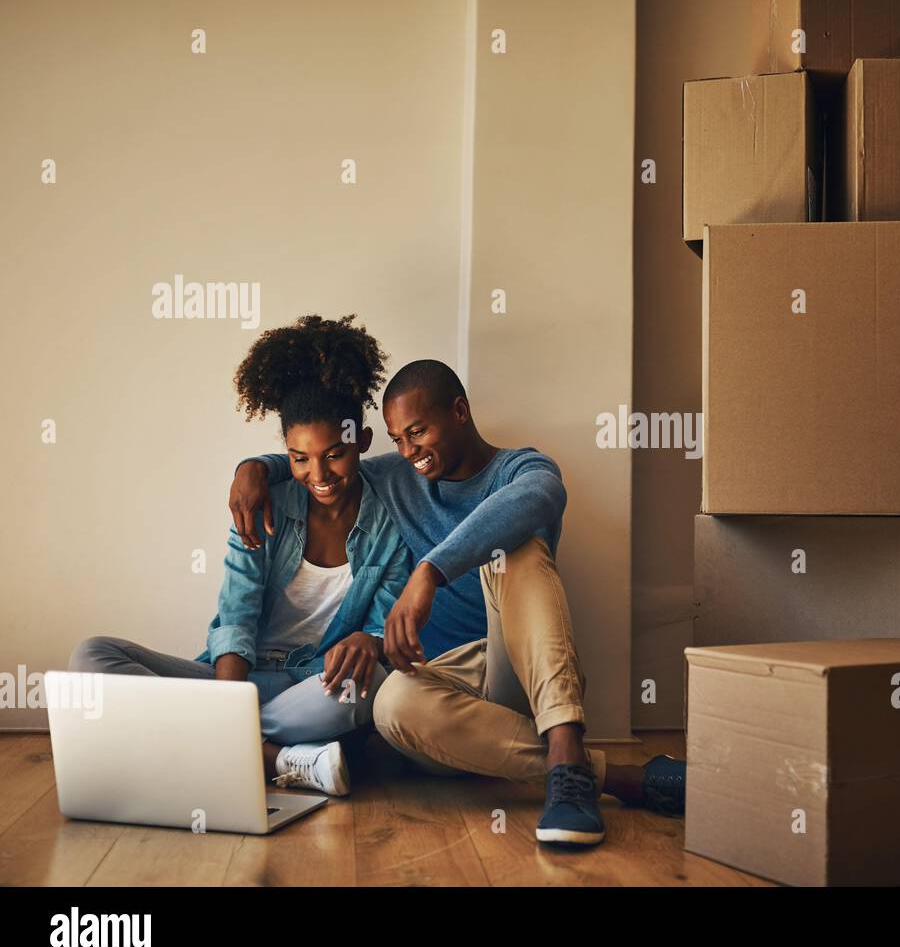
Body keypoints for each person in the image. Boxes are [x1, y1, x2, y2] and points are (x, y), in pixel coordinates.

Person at [228, 360, 686, 846]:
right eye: (397, 438)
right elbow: (325, 459)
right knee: (391, 703)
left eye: (418, 431)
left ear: (460, 411)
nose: (409, 451)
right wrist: (254, 468)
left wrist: (430, 571)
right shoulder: (399, 476)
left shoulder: (521, 469)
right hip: (440, 697)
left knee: (519, 549)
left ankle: (566, 742)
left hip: (513, 669)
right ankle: (601, 776)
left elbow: (540, 495)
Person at [71, 315, 411, 796]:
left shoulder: (390, 518)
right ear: (286, 454)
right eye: (299, 458)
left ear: (364, 443)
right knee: (93, 656)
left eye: (335, 453)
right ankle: (281, 759)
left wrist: (370, 640)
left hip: (313, 687)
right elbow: (236, 616)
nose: (320, 474)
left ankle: (186, 743)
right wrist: (227, 706)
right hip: (238, 674)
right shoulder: (263, 503)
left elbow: (382, 622)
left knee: (365, 688)